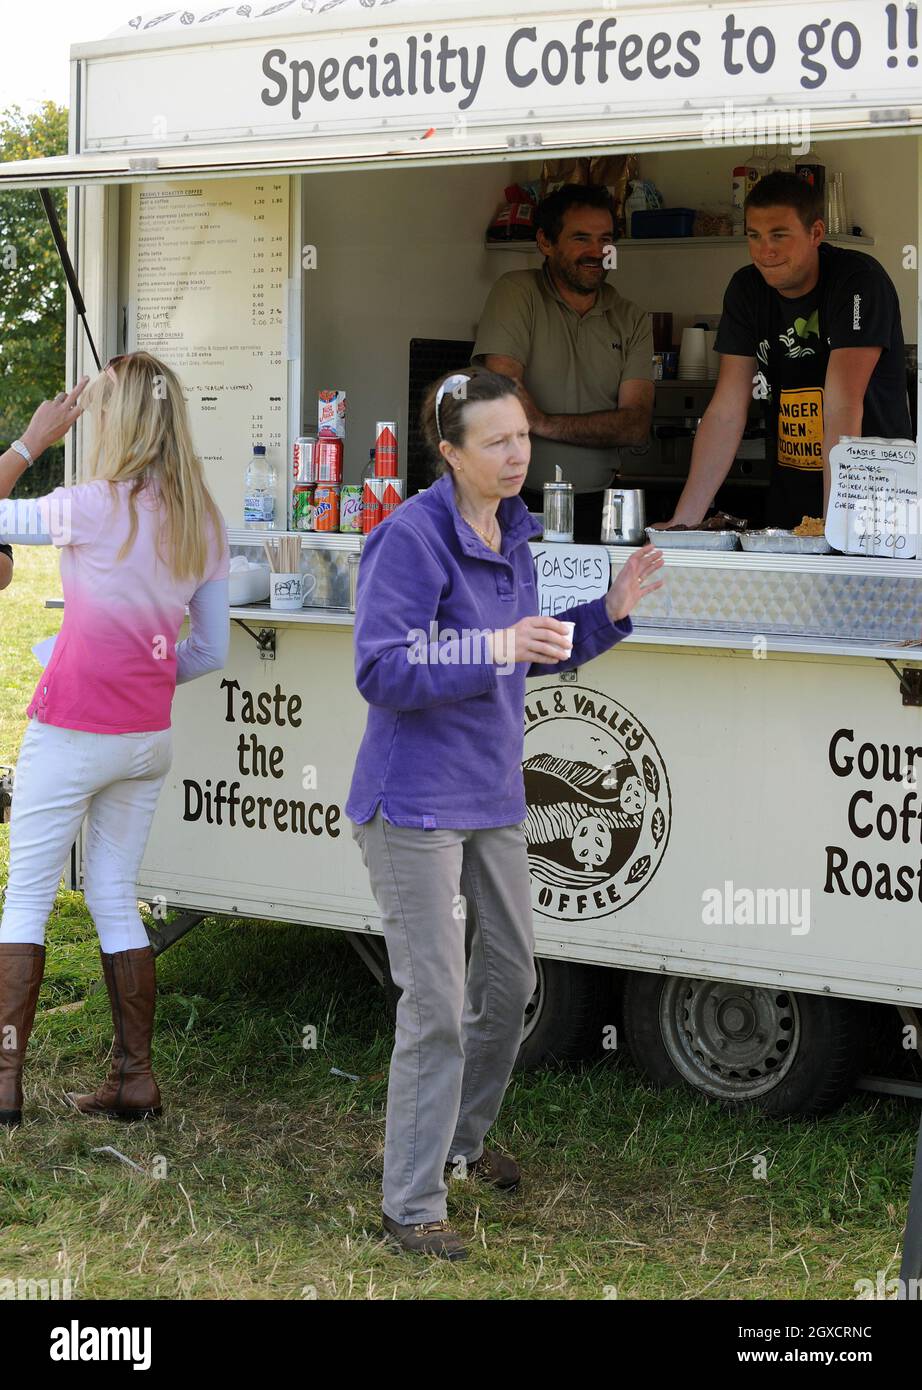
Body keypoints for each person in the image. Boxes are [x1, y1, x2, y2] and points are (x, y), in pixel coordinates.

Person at [346, 366, 664, 1260]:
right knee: (438, 1000)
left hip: (491, 794)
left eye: (521, 435)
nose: (518, 452)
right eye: (496, 440)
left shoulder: (514, 532)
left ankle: (460, 1144)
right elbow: (382, 668)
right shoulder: (409, 539)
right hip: (412, 801)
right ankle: (411, 1206)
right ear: (449, 454)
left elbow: (529, 651)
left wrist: (606, 613)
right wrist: (492, 644)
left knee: (511, 982)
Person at [0, 352, 230, 1128]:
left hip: (73, 729)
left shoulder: (90, 505)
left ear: (120, 422)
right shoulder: (204, 514)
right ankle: (135, 1079)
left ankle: (4, 1085)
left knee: (26, 898)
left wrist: (30, 443)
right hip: (145, 736)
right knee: (112, 894)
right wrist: (146, 673)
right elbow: (212, 650)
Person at [666, 171, 911, 530]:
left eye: (779, 235)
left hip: (874, 505)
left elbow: (843, 407)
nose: (765, 251)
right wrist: (682, 524)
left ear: (815, 233)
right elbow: (725, 412)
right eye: (754, 236)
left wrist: (834, 528)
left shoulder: (857, 281)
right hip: (790, 502)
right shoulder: (746, 289)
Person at [472, 182, 655, 542]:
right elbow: (505, 399)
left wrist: (543, 422)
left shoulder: (631, 317)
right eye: (581, 238)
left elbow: (635, 425)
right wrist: (542, 421)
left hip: (603, 510)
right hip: (517, 504)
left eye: (605, 239)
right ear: (545, 242)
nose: (596, 251)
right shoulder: (516, 292)